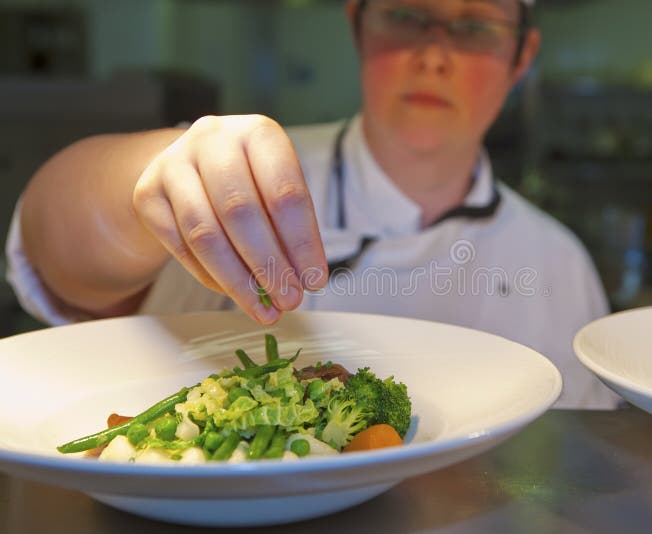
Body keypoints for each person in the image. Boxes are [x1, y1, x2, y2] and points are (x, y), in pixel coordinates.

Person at [5, 0, 619, 408]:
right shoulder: (241, 178)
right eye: (406, 15)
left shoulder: (559, 262)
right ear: (357, 26)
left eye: (476, 26)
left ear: (522, 56)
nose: (435, 54)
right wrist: (152, 170)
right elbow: (55, 253)